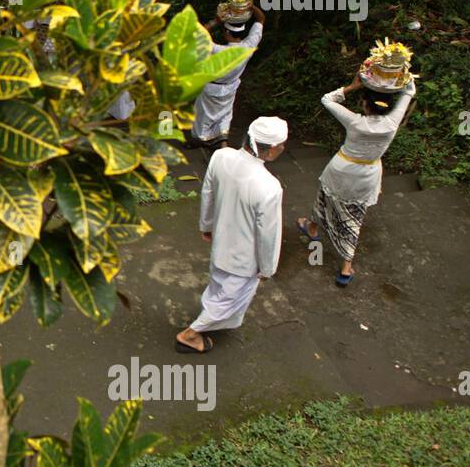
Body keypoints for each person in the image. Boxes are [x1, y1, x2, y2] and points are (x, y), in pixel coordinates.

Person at [176, 116, 287, 354]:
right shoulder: (269, 187)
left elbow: (208, 193)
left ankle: (208, 312)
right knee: (231, 298)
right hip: (245, 256)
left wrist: (206, 225)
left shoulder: (220, 157)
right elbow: (269, 234)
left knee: (218, 284)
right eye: (281, 146)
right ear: (272, 150)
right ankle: (191, 334)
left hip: (221, 241)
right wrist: (268, 268)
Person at [297, 73, 416, 287]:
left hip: (341, 168)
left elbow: (326, 99)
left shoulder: (355, 121)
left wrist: (352, 86)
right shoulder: (392, 122)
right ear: (388, 107)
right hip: (368, 174)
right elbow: (409, 91)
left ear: (364, 105)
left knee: (324, 197)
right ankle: (345, 266)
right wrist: (400, 75)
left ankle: (312, 228)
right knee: (355, 217)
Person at [191, 2, 265, 147]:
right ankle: (222, 141)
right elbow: (260, 19)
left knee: (204, 115)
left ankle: (200, 139)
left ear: (227, 33)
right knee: (225, 114)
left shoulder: (217, 50)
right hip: (230, 87)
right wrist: (251, 6)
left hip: (211, 88)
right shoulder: (248, 47)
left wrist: (216, 21)